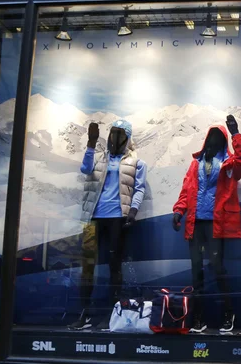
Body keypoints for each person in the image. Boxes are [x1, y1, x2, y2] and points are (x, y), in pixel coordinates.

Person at [172, 115, 241, 333]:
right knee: (196, 271)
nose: (214, 140)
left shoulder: (229, 163)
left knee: (218, 269)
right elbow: (187, 190)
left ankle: (228, 313)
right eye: (211, 136)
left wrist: (235, 134)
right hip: (196, 223)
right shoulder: (195, 164)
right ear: (206, 139)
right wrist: (179, 210)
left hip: (216, 224)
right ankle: (198, 317)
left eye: (219, 137)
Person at [69, 119, 147, 330]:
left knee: (114, 265)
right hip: (93, 216)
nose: (114, 138)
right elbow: (85, 169)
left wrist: (133, 210)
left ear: (127, 138)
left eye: (119, 134)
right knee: (87, 264)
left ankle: (113, 314)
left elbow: (139, 189)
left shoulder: (136, 162)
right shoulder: (99, 158)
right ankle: (84, 314)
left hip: (117, 218)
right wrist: (91, 143)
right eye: (112, 134)